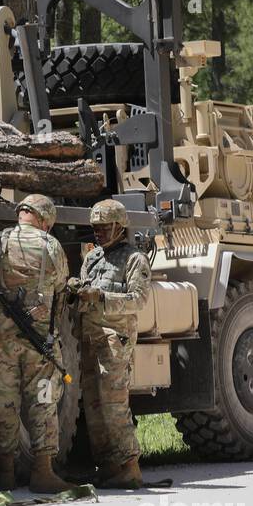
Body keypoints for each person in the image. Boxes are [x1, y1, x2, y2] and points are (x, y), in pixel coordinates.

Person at [0, 194, 79, 493]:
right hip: (39, 343)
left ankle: (5, 473)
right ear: (45, 220)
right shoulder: (51, 246)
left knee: (4, 402)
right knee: (44, 402)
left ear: (22, 213)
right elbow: (60, 286)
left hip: (0, 340)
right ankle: (43, 471)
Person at [71, 199, 151, 488]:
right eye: (96, 228)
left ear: (120, 226)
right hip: (90, 339)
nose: (99, 233)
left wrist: (101, 298)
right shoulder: (92, 259)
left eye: (105, 227)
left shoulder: (134, 259)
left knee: (114, 404)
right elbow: (84, 291)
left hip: (115, 341)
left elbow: (139, 300)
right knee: (93, 405)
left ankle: (129, 465)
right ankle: (107, 465)